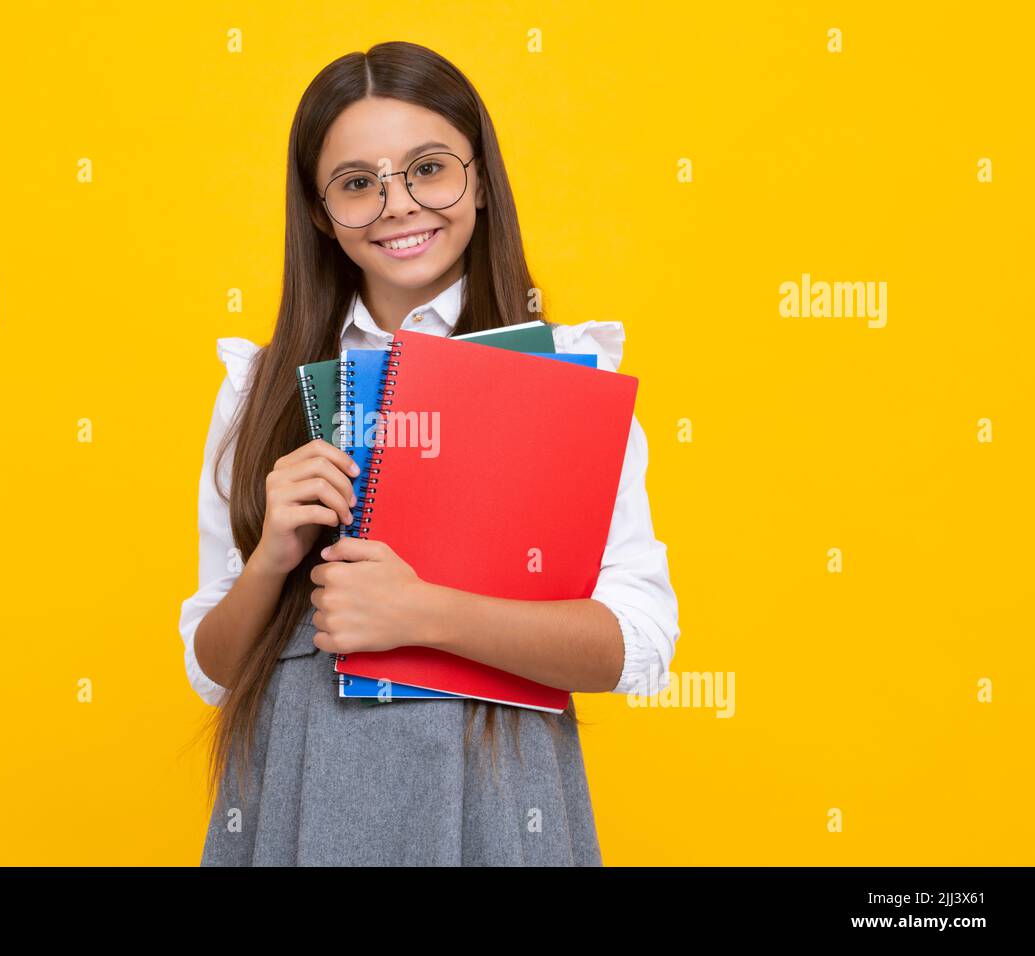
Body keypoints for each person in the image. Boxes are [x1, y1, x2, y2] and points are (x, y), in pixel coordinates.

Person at [179, 41, 679, 865]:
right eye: (357, 184)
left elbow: (639, 640)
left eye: (429, 169)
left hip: (493, 786)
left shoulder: (562, 376)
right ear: (318, 210)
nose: (397, 205)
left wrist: (422, 616)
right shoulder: (258, 389)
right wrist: (270, 558)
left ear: (479, 179)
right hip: (301, 789)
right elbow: (217, 669)